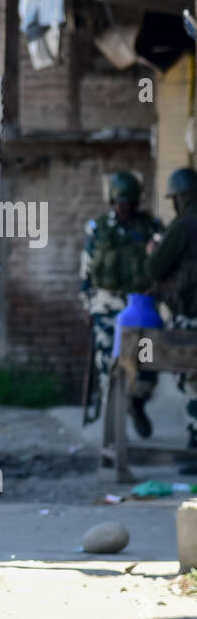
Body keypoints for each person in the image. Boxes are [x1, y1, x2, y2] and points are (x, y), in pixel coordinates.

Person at [81, 171, 163, 435]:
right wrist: (87, 304)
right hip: (107, 308)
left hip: (142, 310)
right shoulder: (98, 228)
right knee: (110, 370)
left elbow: (163, 267)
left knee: (147, 365)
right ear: (112, 202)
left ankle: (137, 404)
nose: (125, 208)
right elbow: (86, 271)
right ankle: (114, 434)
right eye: (120, 203)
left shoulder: (152, 227)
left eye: (130, 203)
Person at [147, 167, 197, 466]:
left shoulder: (183, 227)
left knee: (191, 382)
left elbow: (155, 269)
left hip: (191, 320)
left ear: (181, 197)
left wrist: (154, 249)